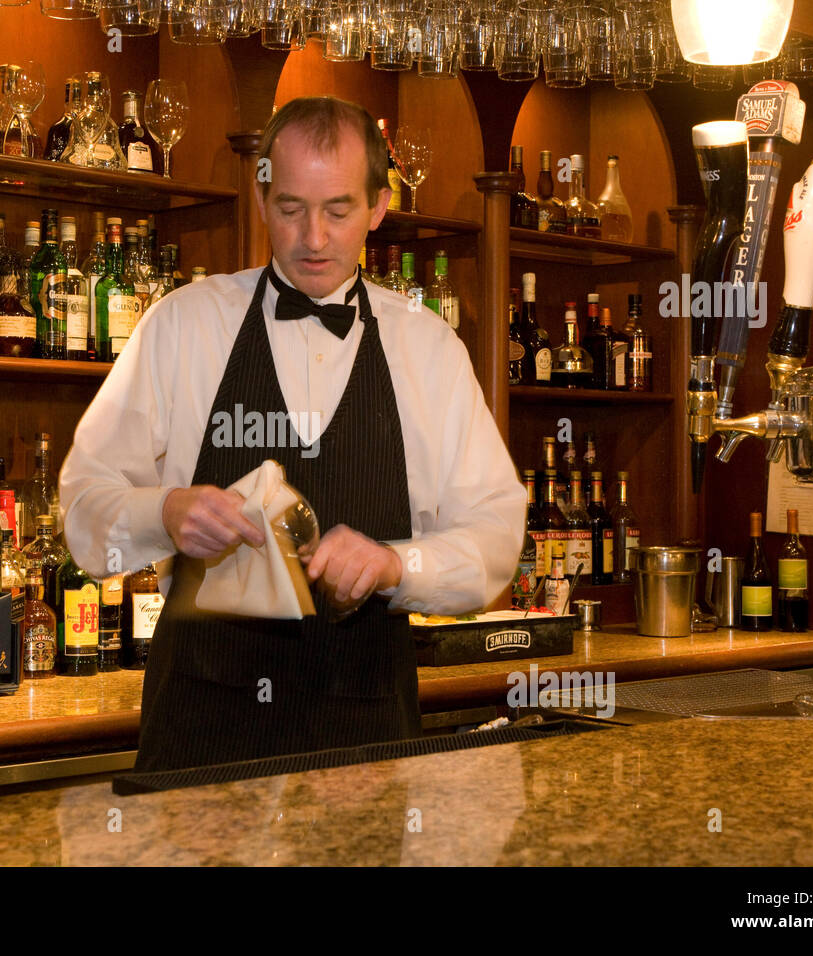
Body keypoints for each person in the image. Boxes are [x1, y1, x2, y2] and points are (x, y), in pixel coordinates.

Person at [59, 96, 525, 773]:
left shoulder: (428, 349)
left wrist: (398, 565)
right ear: (261, 194)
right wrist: (161, 511)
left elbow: (494, 538)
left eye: (338, 211)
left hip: (364, 739)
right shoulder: (183, 326)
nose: (313, 238)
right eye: (291, 209)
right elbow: (82, 509)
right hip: (202, 738)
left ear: (379, 206)